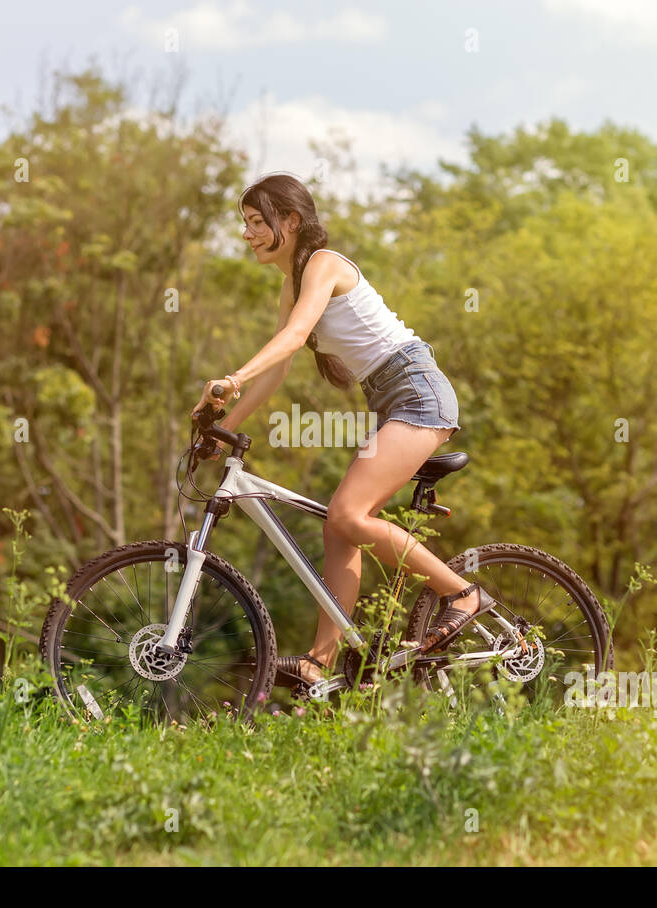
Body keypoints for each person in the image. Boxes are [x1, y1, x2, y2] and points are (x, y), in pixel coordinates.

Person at [190, 172, 494, 693]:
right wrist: (222, 429)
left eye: (258, 222)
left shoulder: (325, 265)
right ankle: (319, 663)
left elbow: (293, 338)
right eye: (245, 224)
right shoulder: (291, 284)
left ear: (290, 220)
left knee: (350, 515)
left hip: (418, 392)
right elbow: (278, 372)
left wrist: (232, 380)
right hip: (390, 399)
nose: (248, 234)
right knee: (338, 525)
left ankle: (463, 594)